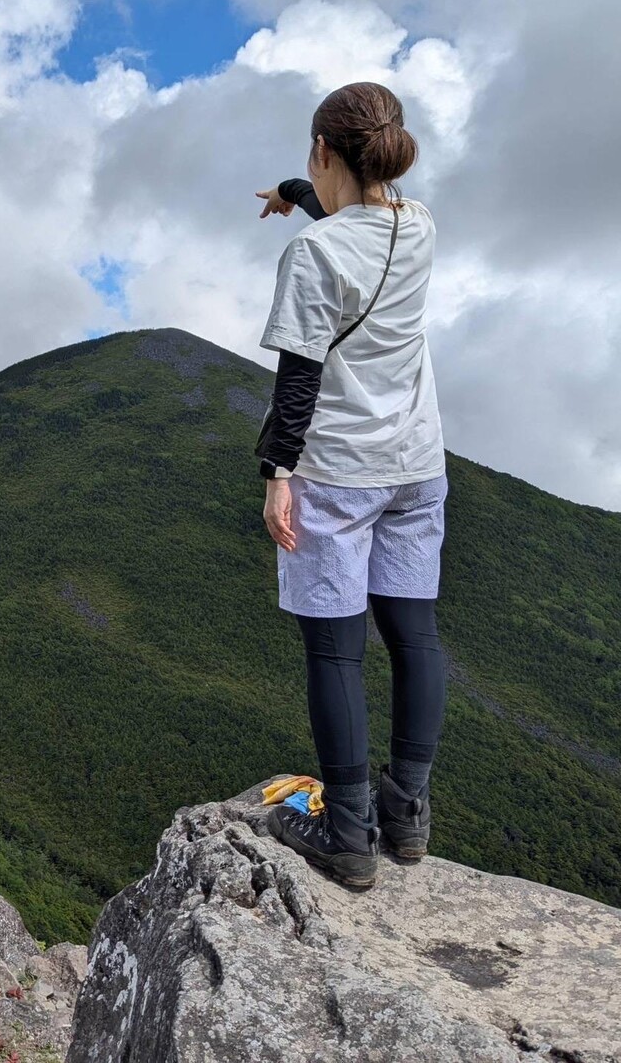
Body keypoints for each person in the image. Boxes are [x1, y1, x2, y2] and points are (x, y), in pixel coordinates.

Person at [252, 81, 447, 889]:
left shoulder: (313, 255)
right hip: (418, 468)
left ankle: (348, 833)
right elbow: (355, 225)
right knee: (413, 636)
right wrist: (296, 195)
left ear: (325, 150)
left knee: (335, 651)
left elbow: (298, 381)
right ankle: (408, 817)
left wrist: (276, 476)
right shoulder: (421, 224)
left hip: (337, 474)